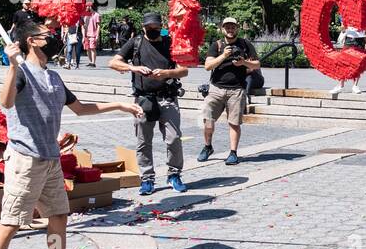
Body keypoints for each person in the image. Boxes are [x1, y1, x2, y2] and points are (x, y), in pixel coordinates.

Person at [0, 16, 143, 249]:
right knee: (11, 222)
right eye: (45, 33)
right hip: (25, 160)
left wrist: (119, 105)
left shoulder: (53, 77)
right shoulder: (22, 73)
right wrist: (12, 66)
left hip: (50, 159)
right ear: (31, 41)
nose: (52, 36)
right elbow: (6, 102)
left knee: (58, 216)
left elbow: (80, 109)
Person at [109, 11, 188, 196]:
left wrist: (167, 73)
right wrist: (133, 67)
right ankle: (147, 178)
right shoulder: (135, 43)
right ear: (143, 26)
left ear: (161, 27)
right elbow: (114, 62)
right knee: (144, 141)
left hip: (167, 98)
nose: (153, 30)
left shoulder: (169, 43)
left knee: (174, 138)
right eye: (150, 28)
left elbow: (184, 70)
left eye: (156, 28)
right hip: (144, 99)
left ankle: (174, 175)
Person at [200, 17, 260, 165]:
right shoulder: (217, 45)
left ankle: (233, 153)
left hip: (237, 89)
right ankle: (208, 147)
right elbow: (207, 66)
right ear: (222, 29)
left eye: (233, 27)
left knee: (234, 123)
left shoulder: (245, 44)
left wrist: (243, 62)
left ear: (237, 29)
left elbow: (257, 65)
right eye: (227, 27)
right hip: (216, 88)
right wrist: (223, 55)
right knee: (208, 120)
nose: (230, 30)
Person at [331, 24, 366, 96]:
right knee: (343, 62)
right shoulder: (347, 14)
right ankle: (340, 85)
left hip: (360, 40)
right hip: (349, 39)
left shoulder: (364, 14)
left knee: (358, 64)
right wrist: (343, 27)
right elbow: (343, 29)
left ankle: (355, 86)